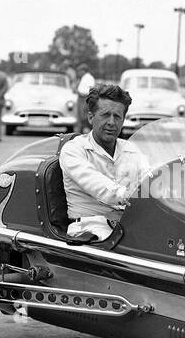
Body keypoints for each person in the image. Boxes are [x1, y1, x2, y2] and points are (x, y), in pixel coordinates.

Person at [58, 83, 149, 242]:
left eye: (117, 116)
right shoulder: (73, 149)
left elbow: (149, 177)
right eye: (106, 115)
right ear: (91, 117)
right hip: (89, 229)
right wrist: (127, 194)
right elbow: (96, 184)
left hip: (129, 224)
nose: (112, 122)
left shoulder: (132, 149)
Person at [74, 63, 97, 134]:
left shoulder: (89, 78)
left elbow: (90, 90)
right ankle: (80, 133)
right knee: (80, 118)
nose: (78, 73)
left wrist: (79, 91)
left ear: (83, 70)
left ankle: (85, 132)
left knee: (84, 118)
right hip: (81, 99)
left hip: (85, 99)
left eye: (79, 71)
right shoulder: (84, 77)